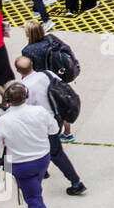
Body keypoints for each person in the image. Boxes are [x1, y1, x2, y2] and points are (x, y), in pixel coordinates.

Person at [0, 83, 64, 208]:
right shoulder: (40, 111)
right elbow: (54, 130)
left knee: (33, 198)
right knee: (35, 189)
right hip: (42, 159)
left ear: (7, 100)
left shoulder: (3, 121)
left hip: (20, 164)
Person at [14, 57, 86, 194]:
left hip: (42, 125)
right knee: (46, 148)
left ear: (18, 70)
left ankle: (76, 182)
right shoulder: (48, 73)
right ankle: (44, 170)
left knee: (56, 153)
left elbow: (25, 109)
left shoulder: (24, 87)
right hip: (56, 117)